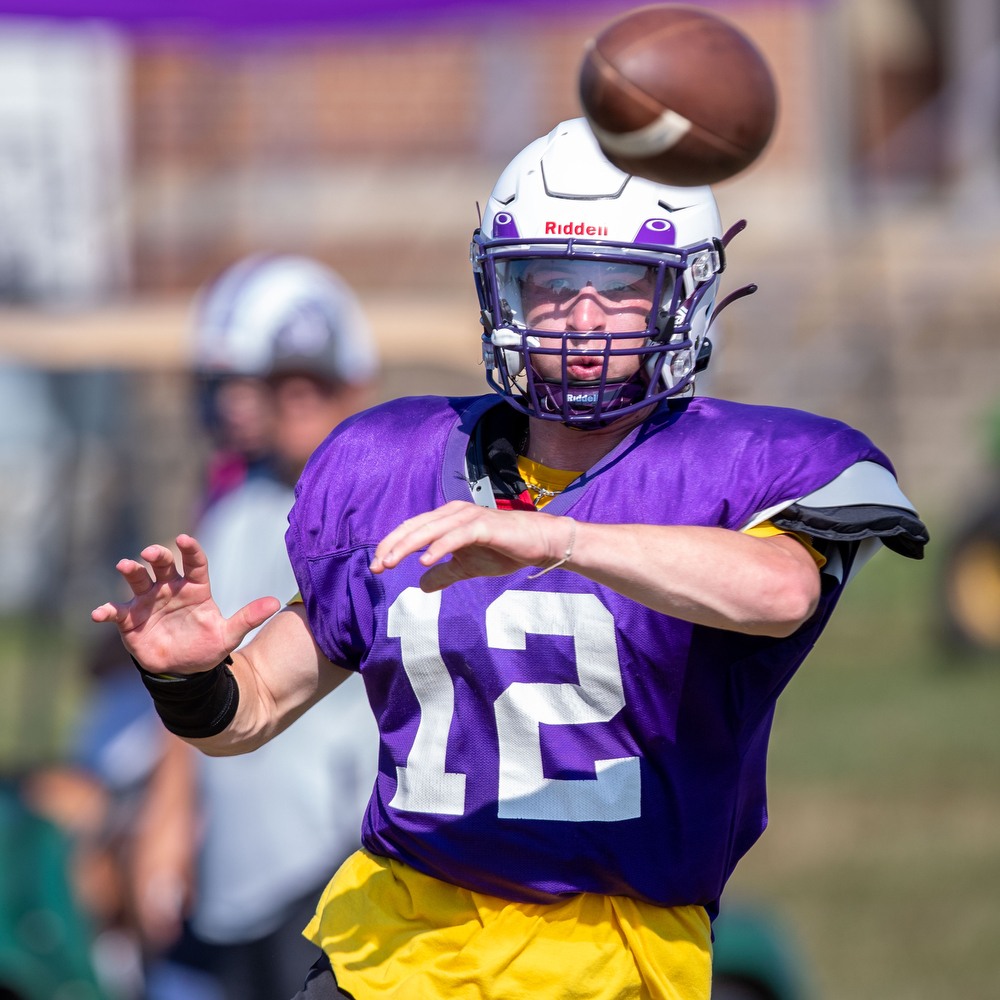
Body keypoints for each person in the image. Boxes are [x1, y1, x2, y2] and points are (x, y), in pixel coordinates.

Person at [94, 120, 928, 1000]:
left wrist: (562, 537)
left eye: (620, 286)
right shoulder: (393, 462)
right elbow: (253, 710)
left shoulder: (735, 469)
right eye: (552, 282)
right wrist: (189, 679)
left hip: (612, 958)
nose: (581, 316)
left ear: (684, 295)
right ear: (504, 292)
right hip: (397, 949)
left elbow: (781, 590)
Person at [136, 255, 381, 1000]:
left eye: (299, 387)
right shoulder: (243, 511)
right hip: (256, 842)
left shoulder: (387, 500)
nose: (243, 409)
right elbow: (202, 685)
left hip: (348, 839)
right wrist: (168, 822)